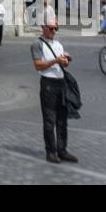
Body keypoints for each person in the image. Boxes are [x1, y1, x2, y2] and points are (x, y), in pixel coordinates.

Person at [32, 14, 78, 163]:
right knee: (49, 120)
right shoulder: (37, 44)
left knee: (62, 120)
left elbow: (63, 65)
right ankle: (51, 152)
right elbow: (38, 65)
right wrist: (55, 60)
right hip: (48, 85)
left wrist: (65, 61)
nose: (53, 31)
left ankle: (62, 150)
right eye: (51, 28)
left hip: (61, 83)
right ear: (43, 28)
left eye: (55, 28)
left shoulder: (58, 44)